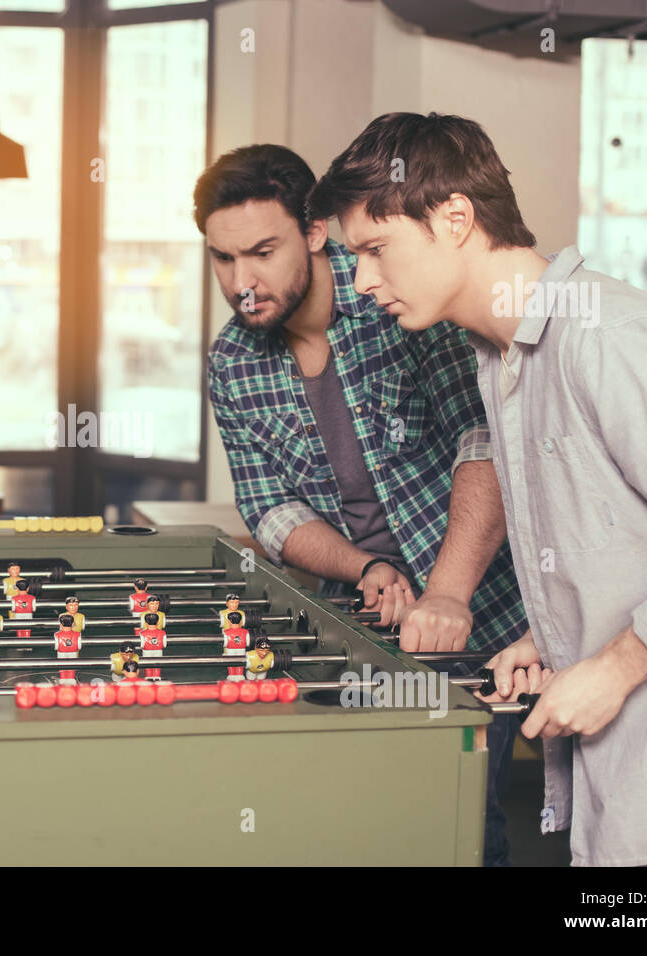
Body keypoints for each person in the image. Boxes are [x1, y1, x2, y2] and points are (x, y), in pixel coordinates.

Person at [310, 110, 647, 866]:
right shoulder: (503, 359)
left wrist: (614, 667)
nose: (361, 280)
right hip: (627, 800)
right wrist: (552, 637)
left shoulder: (607, 337)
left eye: (376, 249)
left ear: (453, 219)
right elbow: (625, 541)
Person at [194, 144, 527, 865]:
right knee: (357, 825)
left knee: (461, 826)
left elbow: (485, 441)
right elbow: (271, 510)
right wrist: (366, 566)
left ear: (314, 231)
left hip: (481, 614)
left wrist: (445, 594)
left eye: (261, 252)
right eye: (223, 260)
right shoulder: (230, 362)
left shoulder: (398, 293)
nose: (242, 283)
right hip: (355, 627)